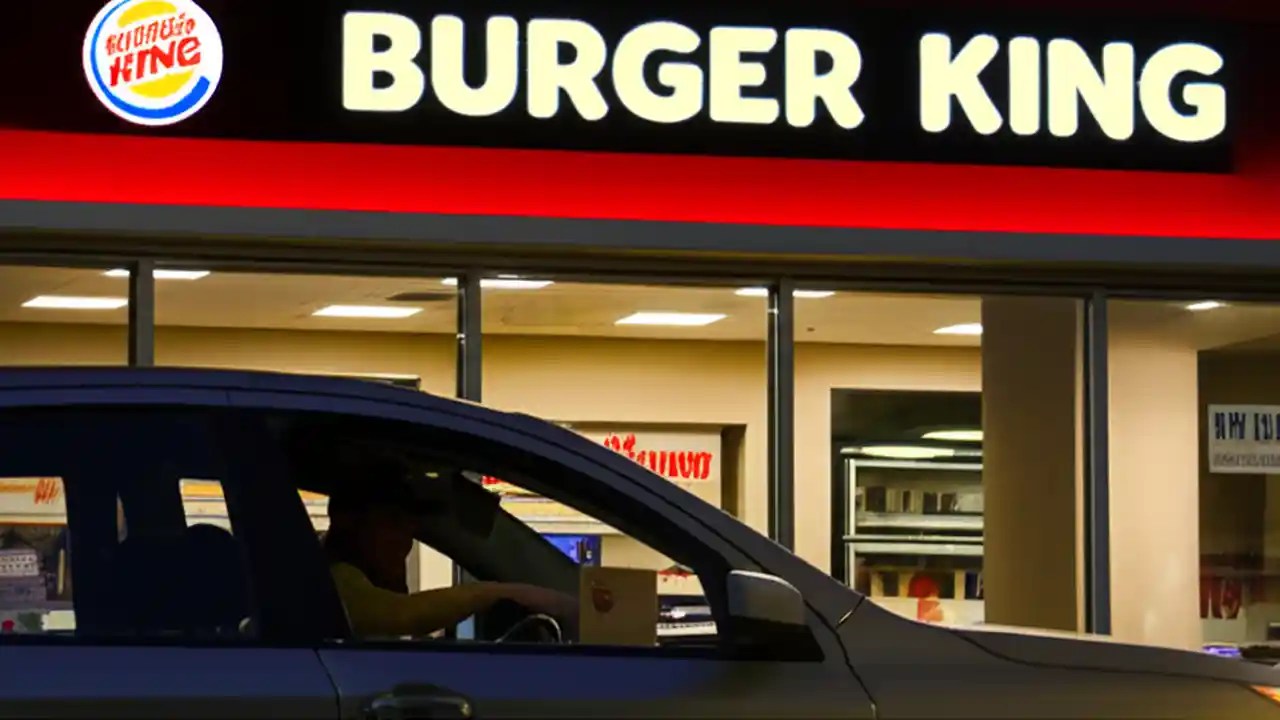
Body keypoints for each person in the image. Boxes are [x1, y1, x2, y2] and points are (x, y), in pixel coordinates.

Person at [323, 476, 577, 639]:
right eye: (393, 523)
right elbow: (403, 614)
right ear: (345, 519)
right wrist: (501, 594)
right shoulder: (330, 579)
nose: (405, 543)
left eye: (411, 530)